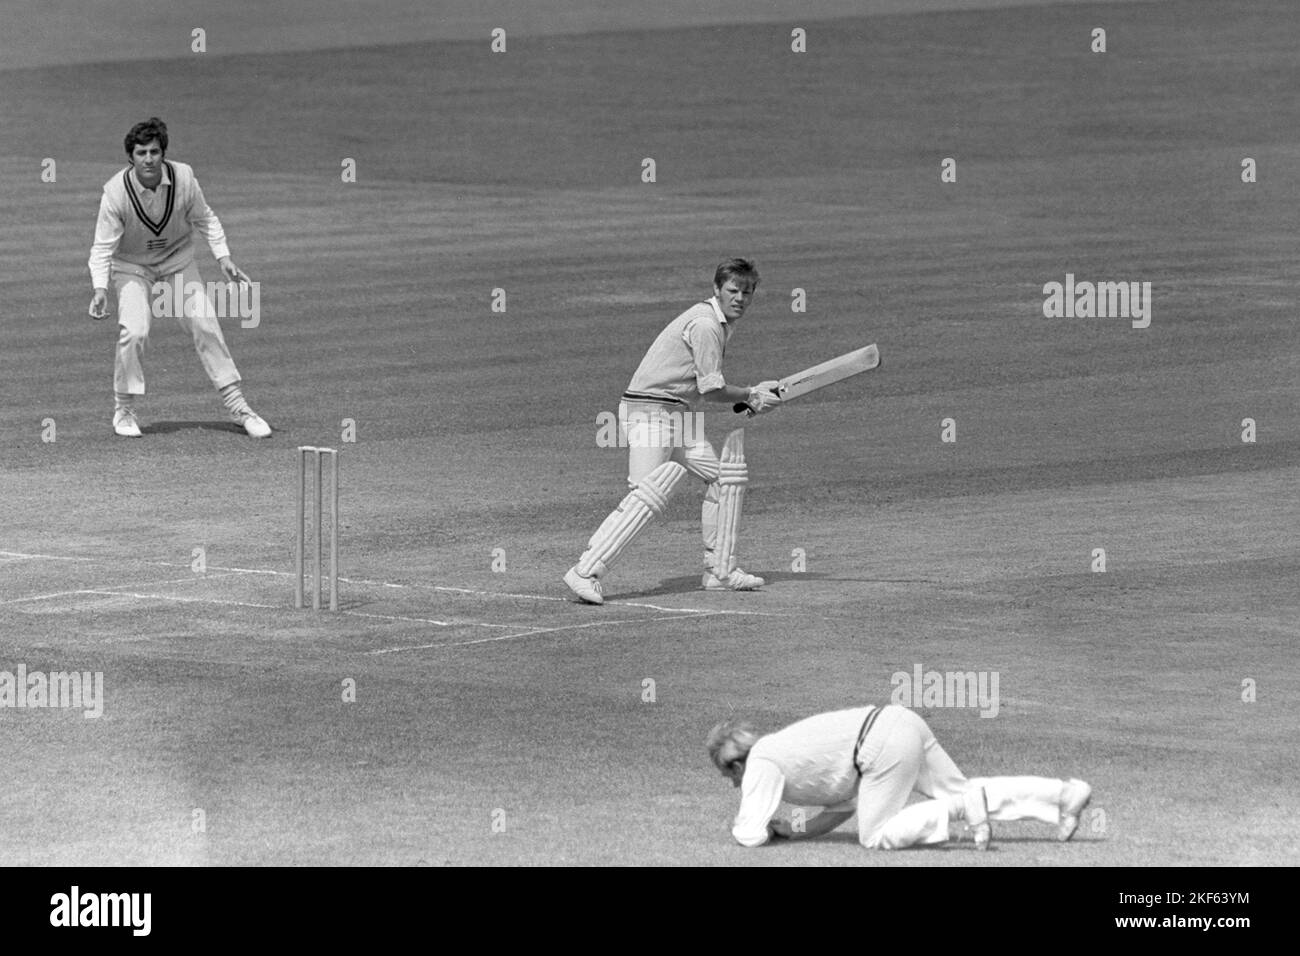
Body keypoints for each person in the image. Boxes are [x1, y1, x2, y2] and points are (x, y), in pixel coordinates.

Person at [564, 258, 784, 605]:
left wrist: (751, 396)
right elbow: (712, 389)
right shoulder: (706, 325)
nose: (740, 298)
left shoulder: (719, 323)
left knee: (724, 478)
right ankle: (585, 571)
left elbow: (702, 387)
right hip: (650, 412)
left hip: (677, 415)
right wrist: (750, 395)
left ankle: (720, 571)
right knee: (647, 495)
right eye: (733, 290)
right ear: (717, 289)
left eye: (747, 292)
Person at [88, 117, 270, 438]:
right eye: (141, 153)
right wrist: (100, 289)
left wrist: (224, 258)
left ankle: (239, 406)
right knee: (135, 330)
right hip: (132, 266)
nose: (148, 159)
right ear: (130, 157)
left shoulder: (184, 178)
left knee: (205, 323)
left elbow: (206, 219)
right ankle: (124, 410)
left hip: (177, 260)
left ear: (163, 154)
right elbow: (102, 247)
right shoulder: (115, 193)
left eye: (154, 152)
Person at [706, 705, 1093, 851]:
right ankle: (1065, 795)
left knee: (874, 836)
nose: (735, 785)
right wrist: (796, 831)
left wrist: (757, 829)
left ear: (736, 766)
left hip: (877, 745)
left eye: (729, 776)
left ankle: (959, 807)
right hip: (898, 721)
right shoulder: (782, 751)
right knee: (963, 788)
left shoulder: (761, 759)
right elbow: (844, 805)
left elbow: (749, 835)